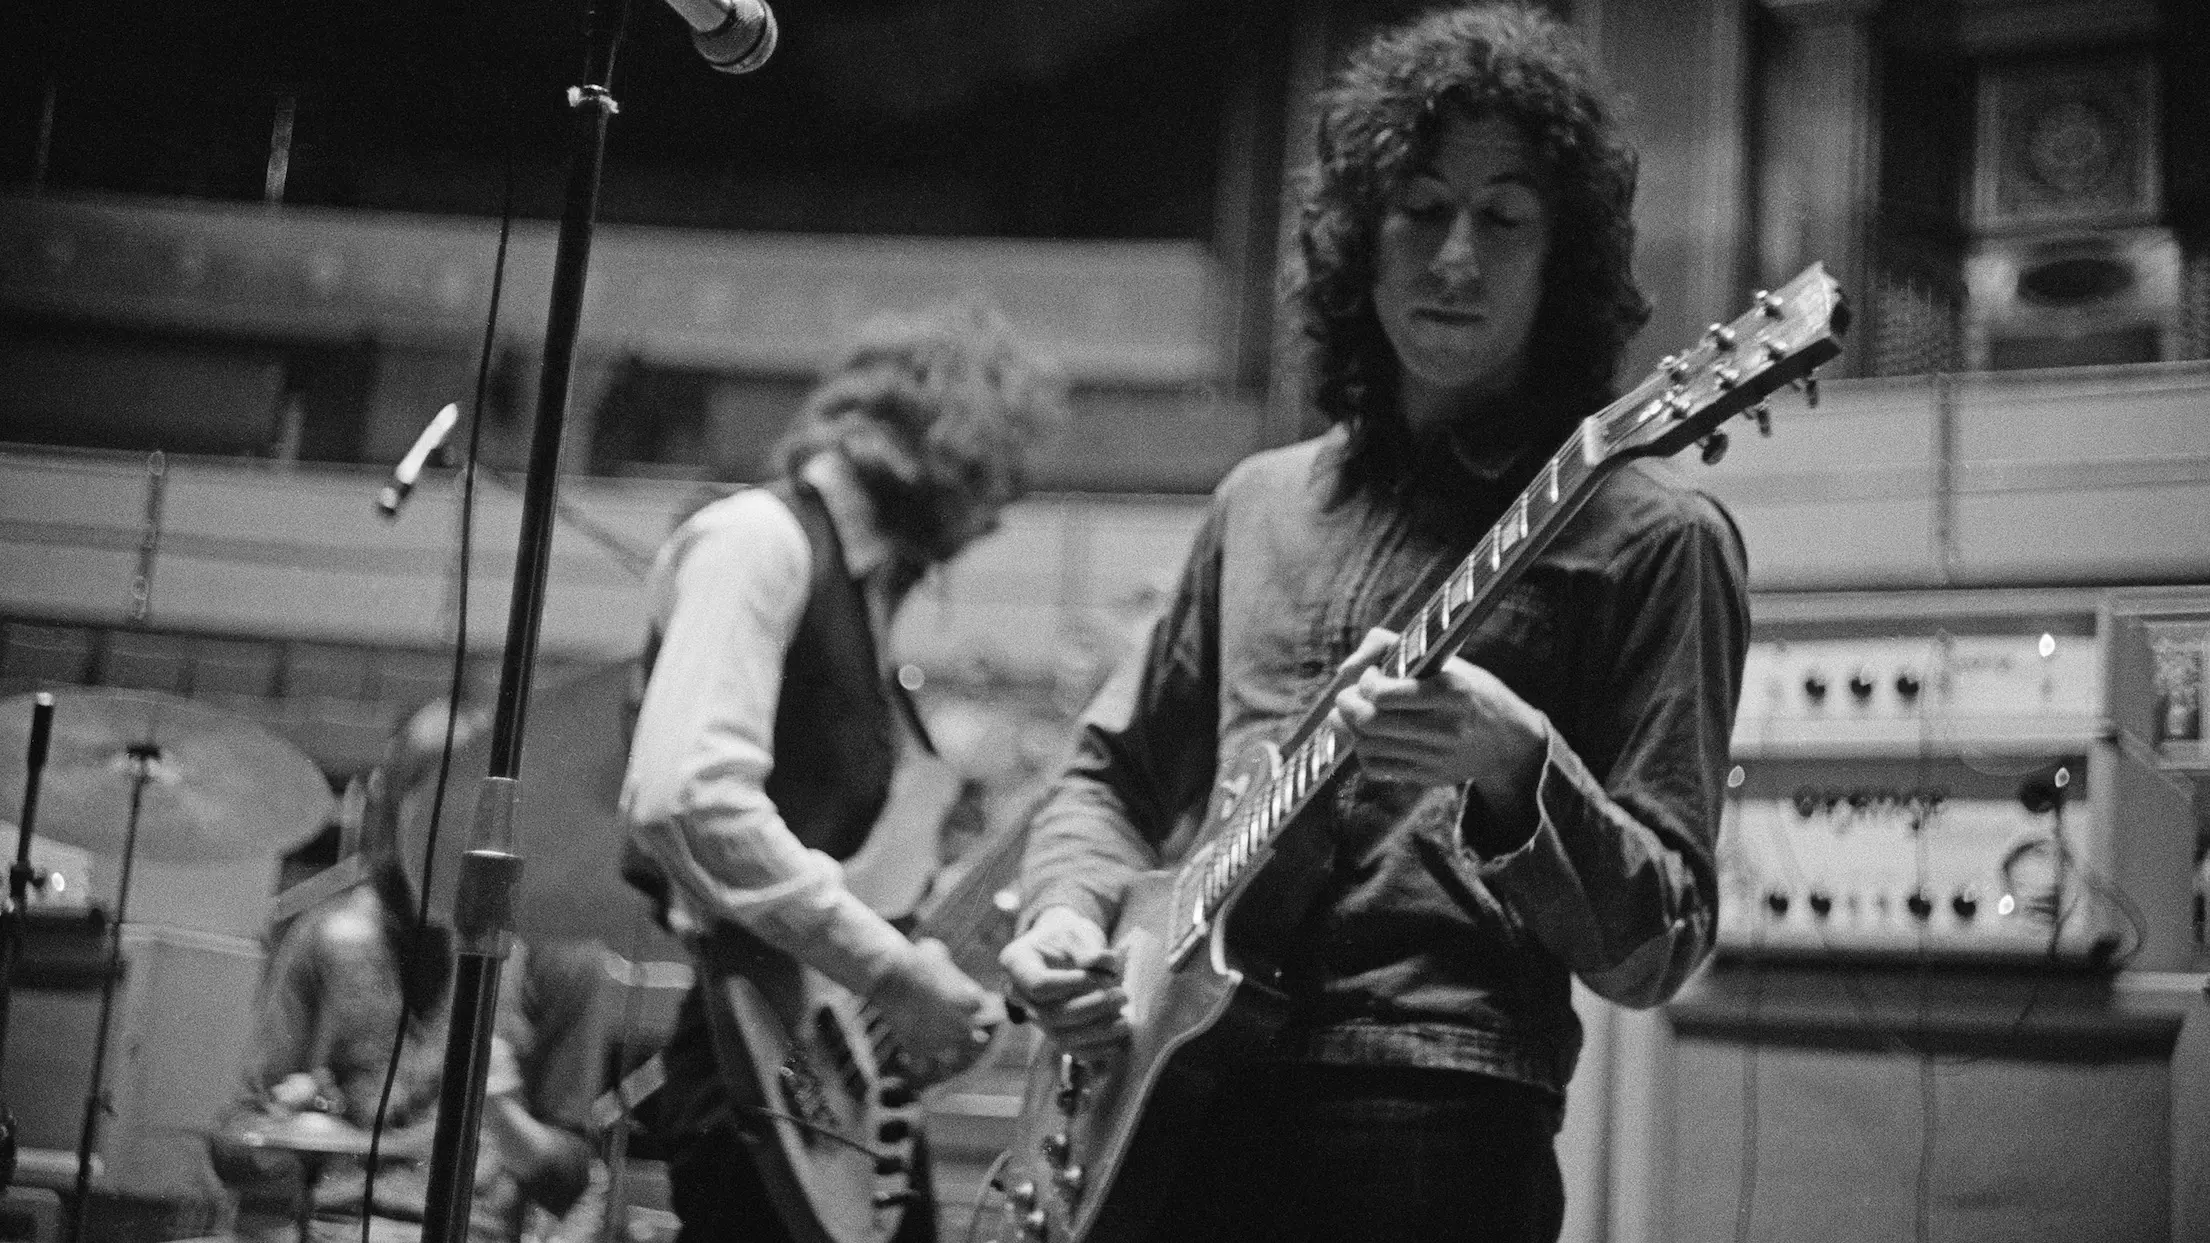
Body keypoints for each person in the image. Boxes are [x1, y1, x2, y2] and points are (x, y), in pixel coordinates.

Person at [997, 7, 1750, 1242]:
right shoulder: (1258, 503)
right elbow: (1110, 769)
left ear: (1564, 256)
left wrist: (1513, 768)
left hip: (1432, 1113)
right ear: (1358, 233)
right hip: (1161, 1093)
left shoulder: (1652, 536)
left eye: (1502, 217)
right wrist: (1067, 918)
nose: (1454, 256)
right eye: (1418, 206)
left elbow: (1657, 944)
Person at [618, 301, 1067, 1243]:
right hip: (758, 1070)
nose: (997, 520)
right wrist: (896, 973)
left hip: (823, 1075)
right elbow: (686, 795)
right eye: (998, 481)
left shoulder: (859, 599)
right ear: (949, 448)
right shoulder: (758, 540)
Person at [213, 705, 603, 1243]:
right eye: (425, 815)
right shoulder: (327, 938)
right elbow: (234, 1145)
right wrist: (278, 1133)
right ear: (387, 806)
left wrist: (507, 1120)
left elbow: (570, 1182)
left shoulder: (556, 955)